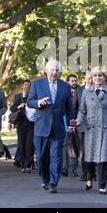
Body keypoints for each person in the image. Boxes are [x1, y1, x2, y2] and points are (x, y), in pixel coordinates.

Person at [27, 59, 75, 193]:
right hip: (41, 127)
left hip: (58, 127)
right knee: (42, 157)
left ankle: (54, 182)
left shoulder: (65, 86)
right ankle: (45, 179)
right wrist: (38, 102)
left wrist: (71, 121)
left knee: (57, 156)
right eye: (52, 70)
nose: (55, 72)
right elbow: (29, 102)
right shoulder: (37, 84)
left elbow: (69, 107)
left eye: (57, 70)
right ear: (46, 71)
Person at [76, 66, 107, 195]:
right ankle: (90, 178)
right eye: (95, 76)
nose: (97, 78)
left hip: (106, 129)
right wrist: (78, 121)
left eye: (100, 75)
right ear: (92, 78)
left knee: (104, 159)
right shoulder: (87, 92)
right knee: (90, 158)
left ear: (104, 78)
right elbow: (82, 111)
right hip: (91, 129)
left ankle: (102, 186)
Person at [10, 79, 35, 173]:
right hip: (21, 124)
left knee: (29, 145)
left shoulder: (33, 96)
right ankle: (23, 165)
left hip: (31, 124)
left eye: (29, 84)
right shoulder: (18, 96)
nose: (27, 86)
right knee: (21, 144)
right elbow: (12, 109)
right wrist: (18, 106)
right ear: (22, 86)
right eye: (25, 84)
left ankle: (28, 165)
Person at [62, 74, 81, 177]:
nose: (74, 83)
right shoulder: (64, 93)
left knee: (76, 147)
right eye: (72, 81)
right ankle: (65, 168)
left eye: (75, 81)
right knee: (66, 146)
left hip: (78, 123)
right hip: (67, 123)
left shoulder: (80, 91)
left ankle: (74, 168)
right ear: (68, 82)